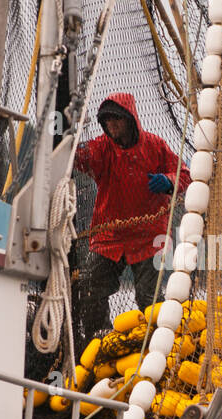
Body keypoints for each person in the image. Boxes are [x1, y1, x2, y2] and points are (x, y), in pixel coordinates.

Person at [74, 93, 192, 343]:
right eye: (106, 122)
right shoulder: (101, 147)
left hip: (149, 236)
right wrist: (70, 140)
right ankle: (100, 338)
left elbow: (185, 175)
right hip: (109, 236)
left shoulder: (155, 146)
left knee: (149, 298)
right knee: (90, 285)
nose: (111, 126)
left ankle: (157, 345)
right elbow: (81, 159)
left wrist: (169, 181)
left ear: (130, 119)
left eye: (116, 120)